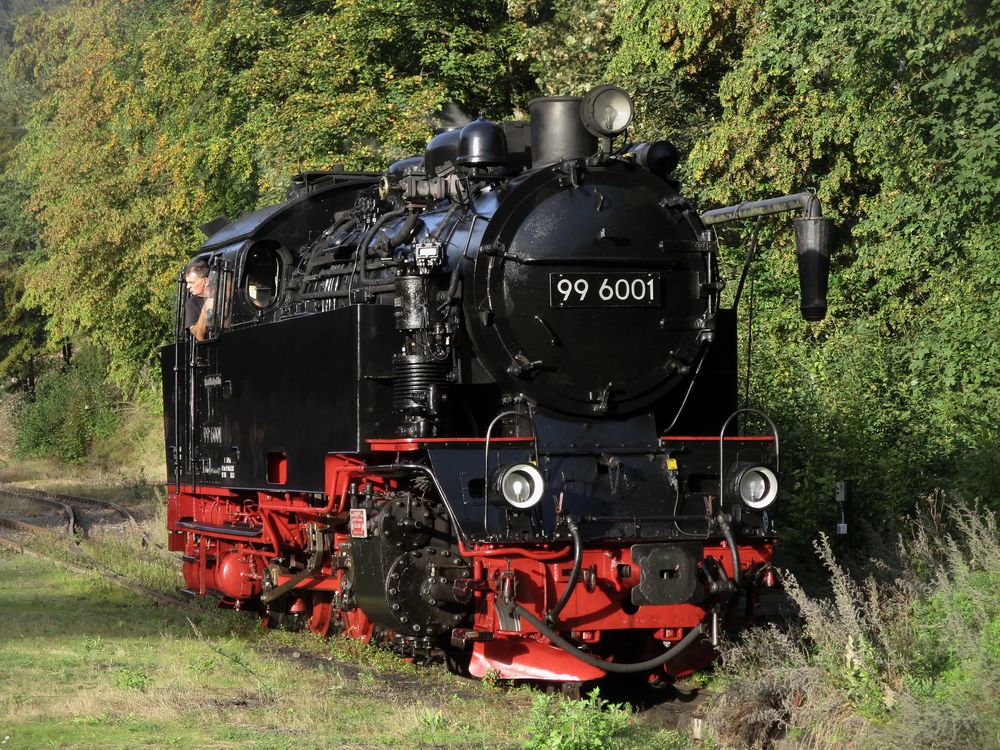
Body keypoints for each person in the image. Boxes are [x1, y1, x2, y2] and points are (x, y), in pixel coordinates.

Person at [183, 259, 215, 341]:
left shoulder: (225, 294)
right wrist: (205, 310)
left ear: (205, 281)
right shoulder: (192, 303)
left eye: (191, 282)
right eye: (187, 283)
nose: (188, 286)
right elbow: (199, 336)